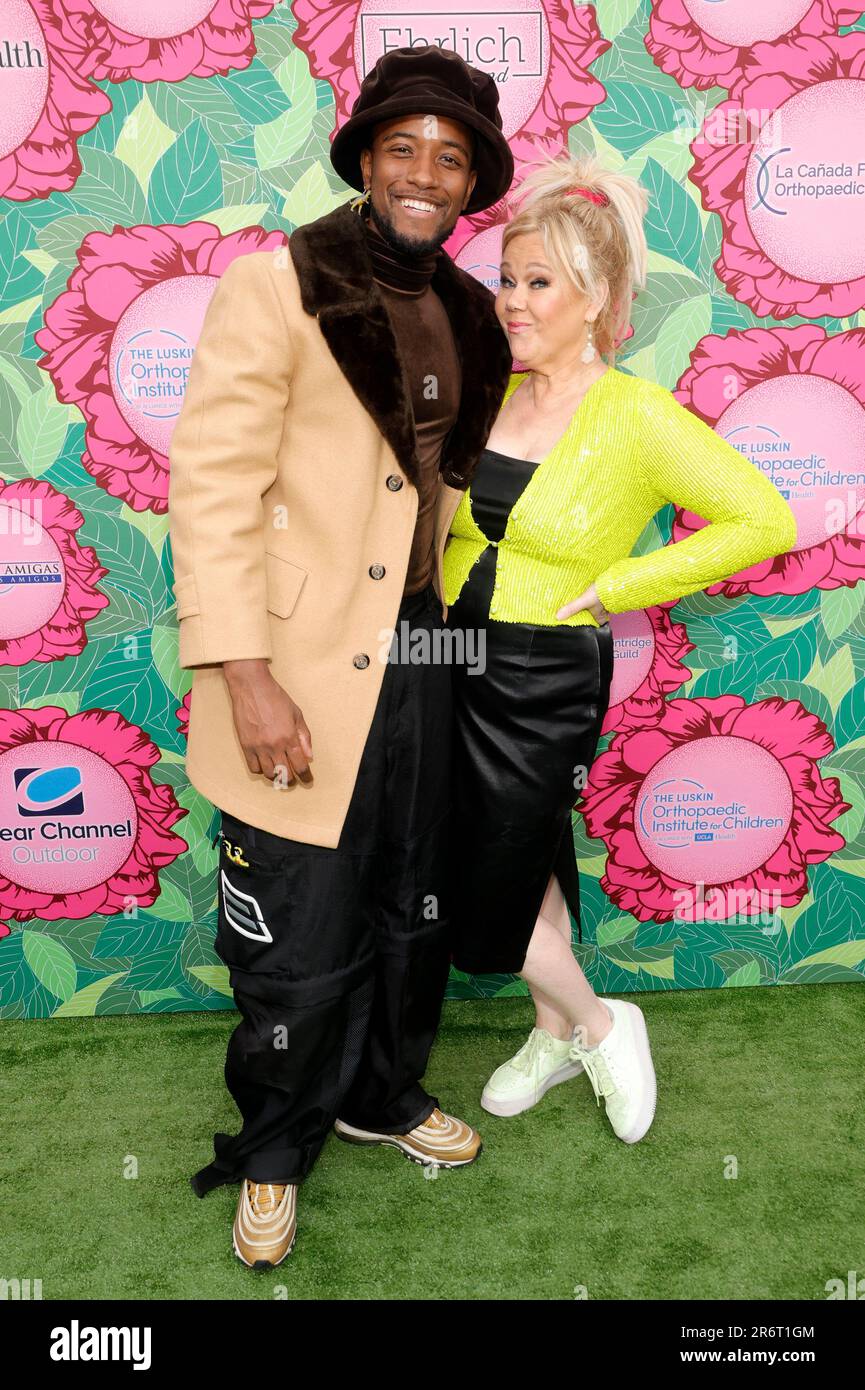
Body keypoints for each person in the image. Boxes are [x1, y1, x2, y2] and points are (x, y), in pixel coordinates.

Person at [167, 44, 514, 1268]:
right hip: (296, 659)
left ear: (472, 184)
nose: (426, 173)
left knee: (409, 894)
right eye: (405, 148)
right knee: (298, 928)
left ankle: (381, 1093)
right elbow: (211, 490)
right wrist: (243, 672)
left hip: (419, 649)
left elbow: (447, 490)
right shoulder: (280, 286)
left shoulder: (472, 313)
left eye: (451, 157)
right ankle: (271, 1146)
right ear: (365, 159)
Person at [441, 153, 799, 1143]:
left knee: (484, 876)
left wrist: (623, 584)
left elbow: (761, 516)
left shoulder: (633, 412)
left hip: (540, 671)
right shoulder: (494, 394)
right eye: (506, 279)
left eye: (537, 282)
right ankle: (553, 1031)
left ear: (594, 296)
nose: (511, 301)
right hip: (449, 656)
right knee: (528, 854)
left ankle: (602, 1021)